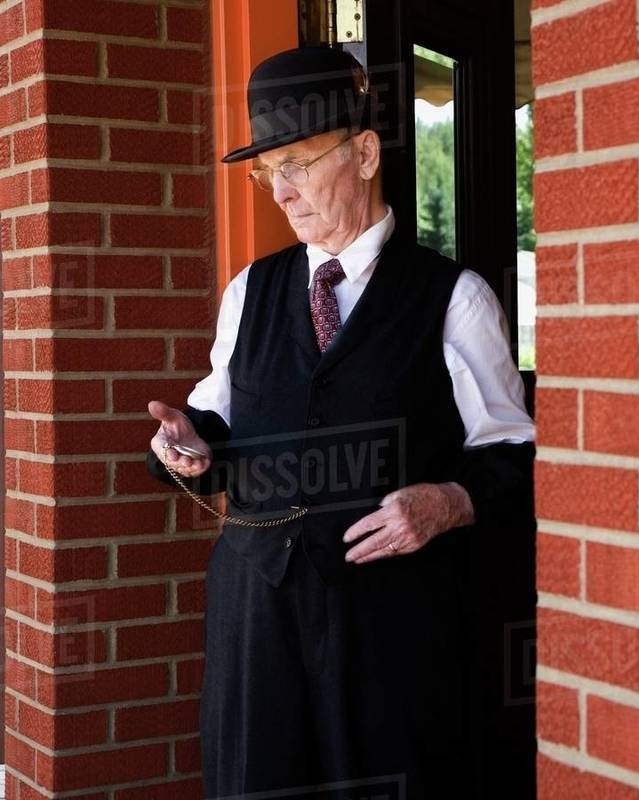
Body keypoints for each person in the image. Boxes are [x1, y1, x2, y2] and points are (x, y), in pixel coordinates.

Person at [144, 46, 536, 799]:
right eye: (266, 172)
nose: (280, 191)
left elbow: (515, 455)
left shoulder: (454, 297)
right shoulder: (249, 292)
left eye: (296, 163)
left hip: (389, 636)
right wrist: (185, 445)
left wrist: (449, 501)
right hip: (257, 625)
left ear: (363, 154)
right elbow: (216, 419)